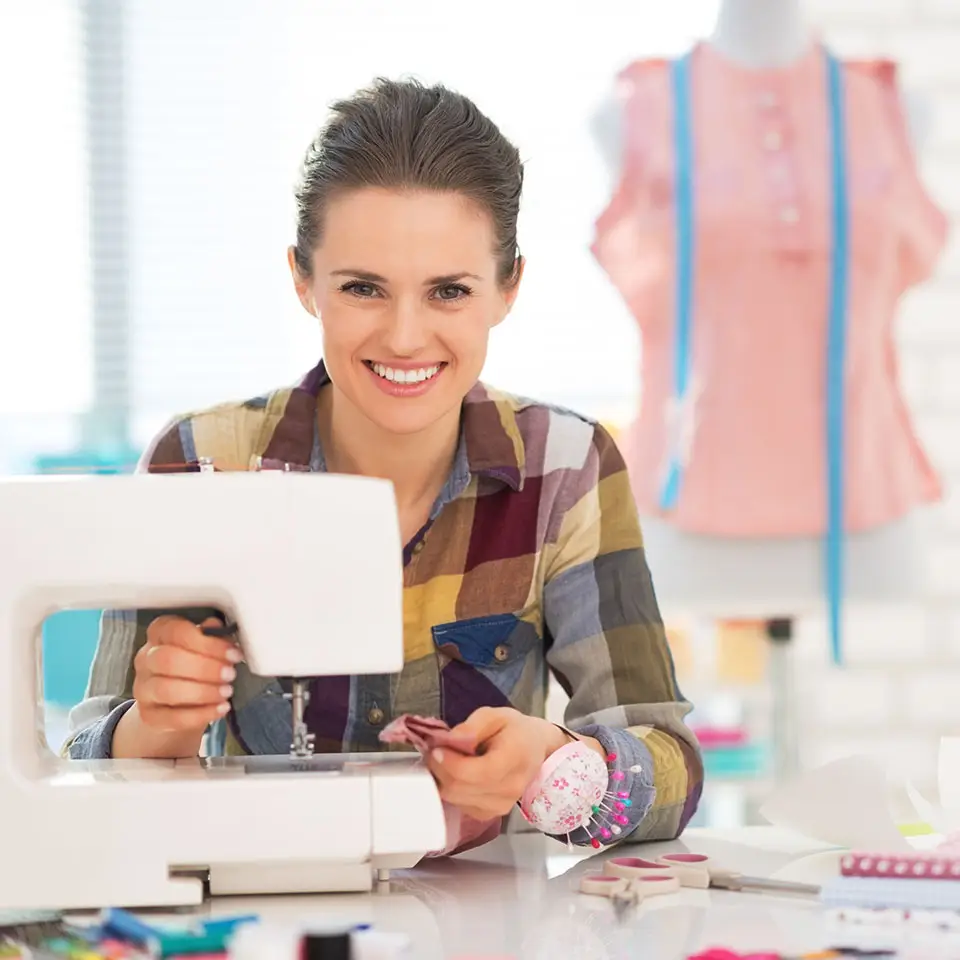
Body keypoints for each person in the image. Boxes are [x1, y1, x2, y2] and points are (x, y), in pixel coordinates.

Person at [66, 77, 702, 850]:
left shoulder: (563, 468)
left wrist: (559, 766)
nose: (405, 337)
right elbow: (89, 771)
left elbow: (670, 767)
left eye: (448, 292)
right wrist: (152, 725)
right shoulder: (203, 463)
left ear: (508, 289)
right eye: (364, 288)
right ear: (303, 279)